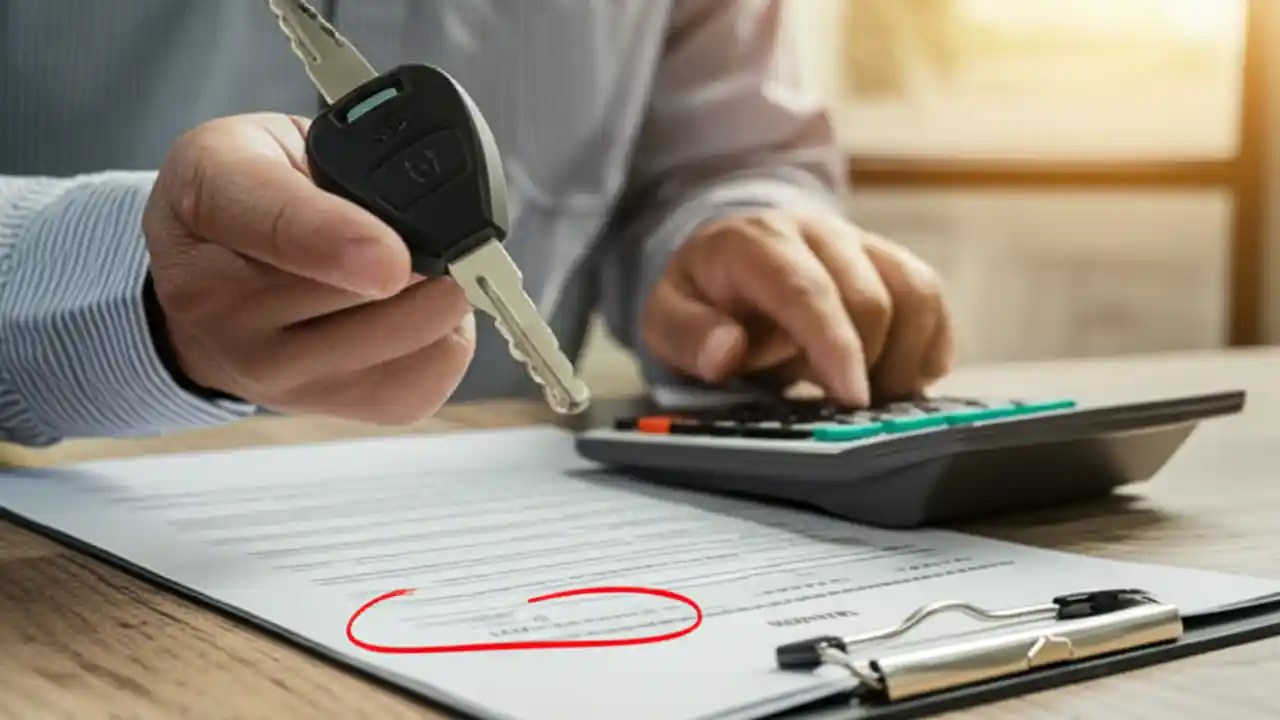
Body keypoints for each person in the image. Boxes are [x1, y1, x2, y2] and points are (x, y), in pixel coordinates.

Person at [0, 1, 954, 447]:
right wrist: (116, 282)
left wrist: (735, 228)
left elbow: (718, 157)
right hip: (56, 560)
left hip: (502, 528)